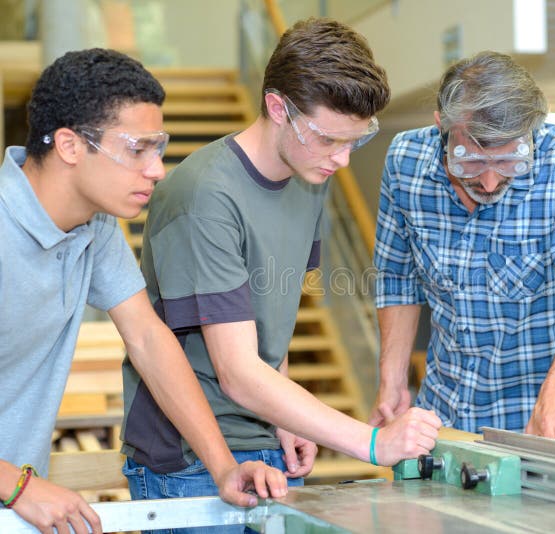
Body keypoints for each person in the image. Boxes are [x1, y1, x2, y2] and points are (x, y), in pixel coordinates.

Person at [120, 17, 442, 520]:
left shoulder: (310, 176)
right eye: (329, 139)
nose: (342, 160)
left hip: (264, 441)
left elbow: (271, 320)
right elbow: (238, 373)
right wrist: (372, 443)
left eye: (353, 142)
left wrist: (287, 418)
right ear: (277, 107)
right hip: (190, 460)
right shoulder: (205, 196)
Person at [0, 48, 287, 534]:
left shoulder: (95, 226)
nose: (156, 169)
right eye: (138, 149)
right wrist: (19, 486)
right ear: (70, 145)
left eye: (159, 147)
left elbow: (150, 340)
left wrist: (222, 467)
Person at [369, 51, 555, 443]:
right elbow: (396, 277)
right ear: (442, 126)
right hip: (441, 413)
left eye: (508, 162)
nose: (489, 183)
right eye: (470, 161)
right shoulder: (405, 162)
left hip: (533, 419)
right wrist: (392, 380)